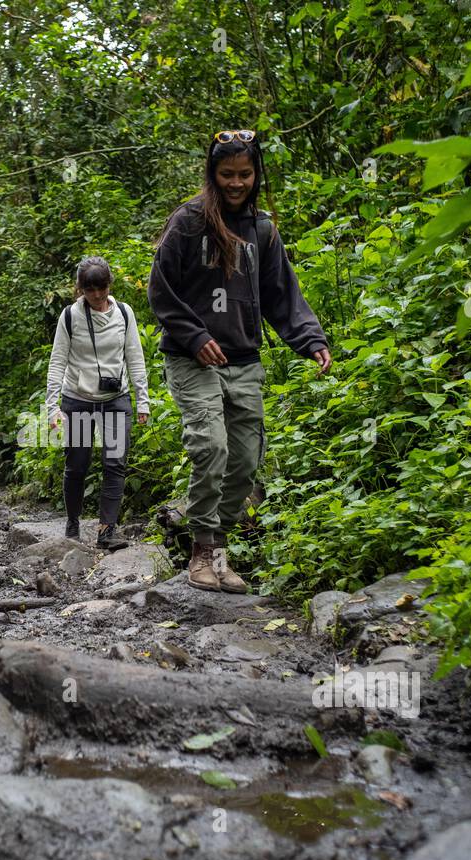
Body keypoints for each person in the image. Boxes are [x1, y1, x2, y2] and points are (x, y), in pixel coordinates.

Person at [148, 129, 331, 592]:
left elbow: (281, 293)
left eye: (245, 174)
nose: (236, 183)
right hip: (193, 361)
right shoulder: (188, 222)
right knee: (211, 446)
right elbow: (161, 291)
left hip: (244, 359)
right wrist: (194, 336)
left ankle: (220, 554)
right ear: (213, 174)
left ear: (256, 173)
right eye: (227, 174)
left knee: (246, 461)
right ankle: (201, 552)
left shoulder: (262, 230)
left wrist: (310, 339)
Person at [45, 256, 150, 551]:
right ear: (80, 289)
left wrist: (143, 401)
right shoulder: (70, 317)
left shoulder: (124, 314)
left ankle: (106, 531)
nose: (96, 295)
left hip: (116, 401)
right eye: (89, 290)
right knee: (77, 466)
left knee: (115, 464)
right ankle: (73, 522)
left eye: (101, 288)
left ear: (109, 285)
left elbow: (135, 358)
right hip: (77, 400)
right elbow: (57, 363)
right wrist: (52, 407)